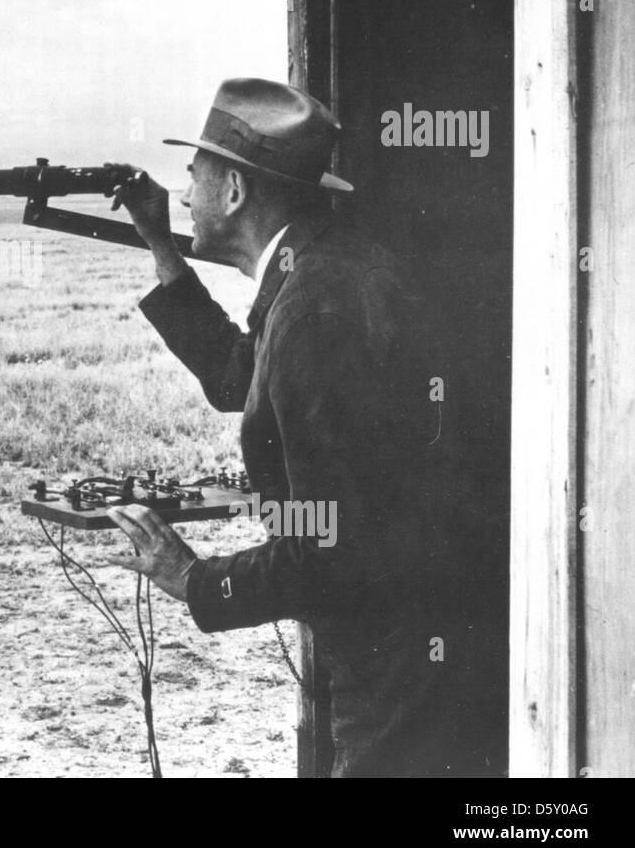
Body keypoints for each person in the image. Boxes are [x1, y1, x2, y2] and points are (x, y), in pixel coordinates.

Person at [104, 77, 504, 778]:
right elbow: (239, 380)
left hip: (405, 675)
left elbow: (333, 549)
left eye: (193, 177)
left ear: (234, 193)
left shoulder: (317, 311)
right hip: (416, 650)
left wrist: (197, 581)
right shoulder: (315, 272)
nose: (185, 193)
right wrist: (160, 246)